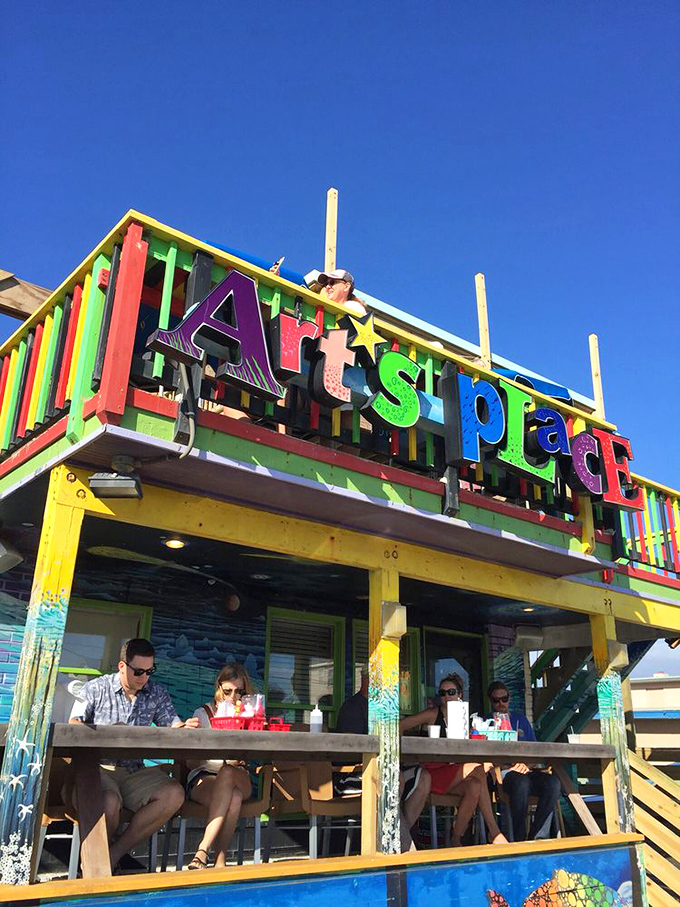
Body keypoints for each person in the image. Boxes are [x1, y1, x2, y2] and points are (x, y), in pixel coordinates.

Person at [68, 638, 200, 869]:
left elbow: (172, 725)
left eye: (150, 671)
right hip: (98, 768)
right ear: (122, 666)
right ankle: (95, 865)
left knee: (174, 794)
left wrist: (184, 728)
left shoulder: (156, 692)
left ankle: (113, 854)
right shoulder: (96, 688)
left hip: (133, 771)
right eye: (138, 671)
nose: (144, 677)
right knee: (107, 802)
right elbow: (73, 726)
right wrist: (106, 736)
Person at [400, 674, 507, 846]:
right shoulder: (432, 714)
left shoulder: (464, 718)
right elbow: (401, 725)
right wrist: (401, 755)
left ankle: (456, 838)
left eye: (451, 692)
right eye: (442, 693)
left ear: (460, 694)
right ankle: (494, 832)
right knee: (478, 770)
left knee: (475, 786)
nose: (446, 697)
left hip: (451, 771)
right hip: (431, 772)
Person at [336, 667, 431, 851]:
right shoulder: (352, 708)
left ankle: (393, 839)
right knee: (393, 776)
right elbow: (348, 750)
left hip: (384, 769)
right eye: (384, 681)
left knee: (423, 777)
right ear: (368, 680)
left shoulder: (384, 710)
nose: (388, 686)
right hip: (352, 775)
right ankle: (404, 845)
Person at [184, 663, 257, 869]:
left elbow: (255, 756)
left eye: (240, 692)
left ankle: (202, 849)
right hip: (204, 776)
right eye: (228, 691)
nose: (233, 697)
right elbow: (190, 763)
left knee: (227, 772)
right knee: (232, 797)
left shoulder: (250, 716)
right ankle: (220, 860)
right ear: (219, 689)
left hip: (238, 774)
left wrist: (254, 727)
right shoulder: (203, 714)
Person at [486, 680, 561, 841]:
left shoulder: (521, 719)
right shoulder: (485, 722)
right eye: (496, 700)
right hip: (503, 773)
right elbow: (484, 757)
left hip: (527, 769)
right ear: (490, 701)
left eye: (504, 699)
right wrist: (510, 766)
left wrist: (526, 764)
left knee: (553, 783)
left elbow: (534, 750)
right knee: (521, 783)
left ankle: (538, 836)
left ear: (509, 699)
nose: (501, 703)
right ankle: (518, 837)